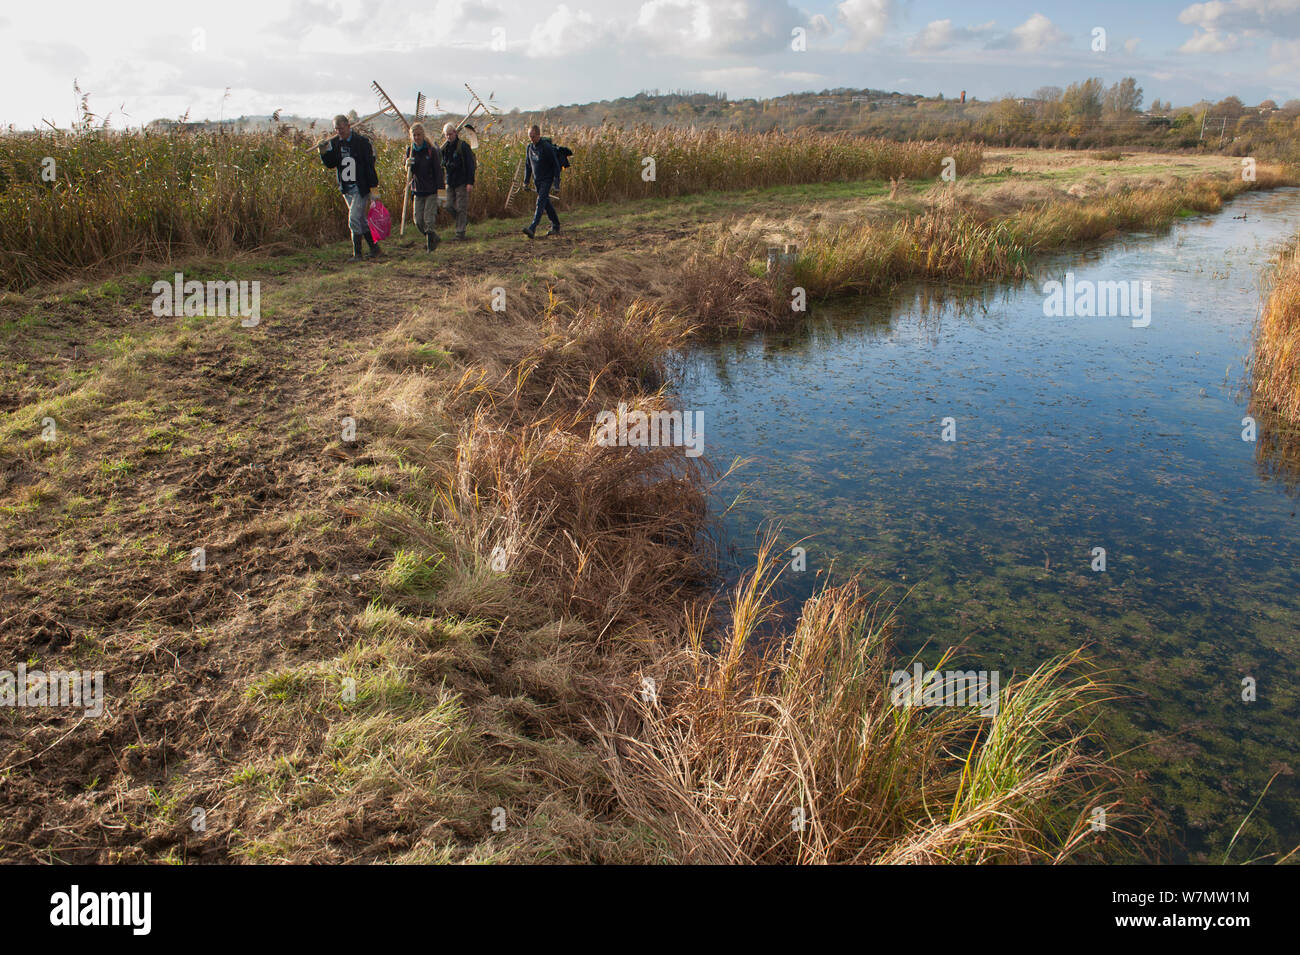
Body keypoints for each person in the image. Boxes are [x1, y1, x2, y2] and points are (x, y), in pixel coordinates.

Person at [319, 114, 382, 261]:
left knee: (353, 218)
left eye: (341, 128)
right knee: (360, 220)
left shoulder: (361, 142)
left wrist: (374, 188)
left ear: (348, 126)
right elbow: (331, 164)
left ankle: (357, 254)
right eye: (336, 129)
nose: (339, 132)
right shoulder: (335, 143)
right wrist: (323, 152)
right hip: (346, 188)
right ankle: (375, 249)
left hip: (360, 188)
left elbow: (369, 166)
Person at [405, 123, 444, 252]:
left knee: (428, 220)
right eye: (414, 135)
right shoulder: (410, 150)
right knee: (418, 221)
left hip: (431, 190)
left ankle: (430, 248)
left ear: (423, 135)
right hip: (417, 190)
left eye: (419, 135)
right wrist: (407, 165)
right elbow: (408, 173)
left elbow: (438, 171)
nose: (417, 137)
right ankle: (434, 238)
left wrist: (441, 192)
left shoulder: (431, 150)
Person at [521, 125, 562, 239]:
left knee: (540, 202)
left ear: (539, 135)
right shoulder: (529, 148)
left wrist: (556, 183)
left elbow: (556, 165)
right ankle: (556, 226)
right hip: (537, 180)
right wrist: (526, 182)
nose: (531, 139)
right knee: (546, 204)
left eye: (533, 136)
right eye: (530, 136)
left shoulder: (546, 147)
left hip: (547, 179)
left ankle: (532, 228)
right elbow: (528, 166)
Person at [440, 123, 476, 240]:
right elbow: (441, 163)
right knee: (448, 206)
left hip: (462, 182)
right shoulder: (445, 148)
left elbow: (470, 165)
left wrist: (470, 182)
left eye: (450, 134)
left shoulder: (463, 146)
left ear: (455, 133)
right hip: (450, 182)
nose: (449, 137)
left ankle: (460, 233)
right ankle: (463, 220)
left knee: (461, 207)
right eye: (446, 135)